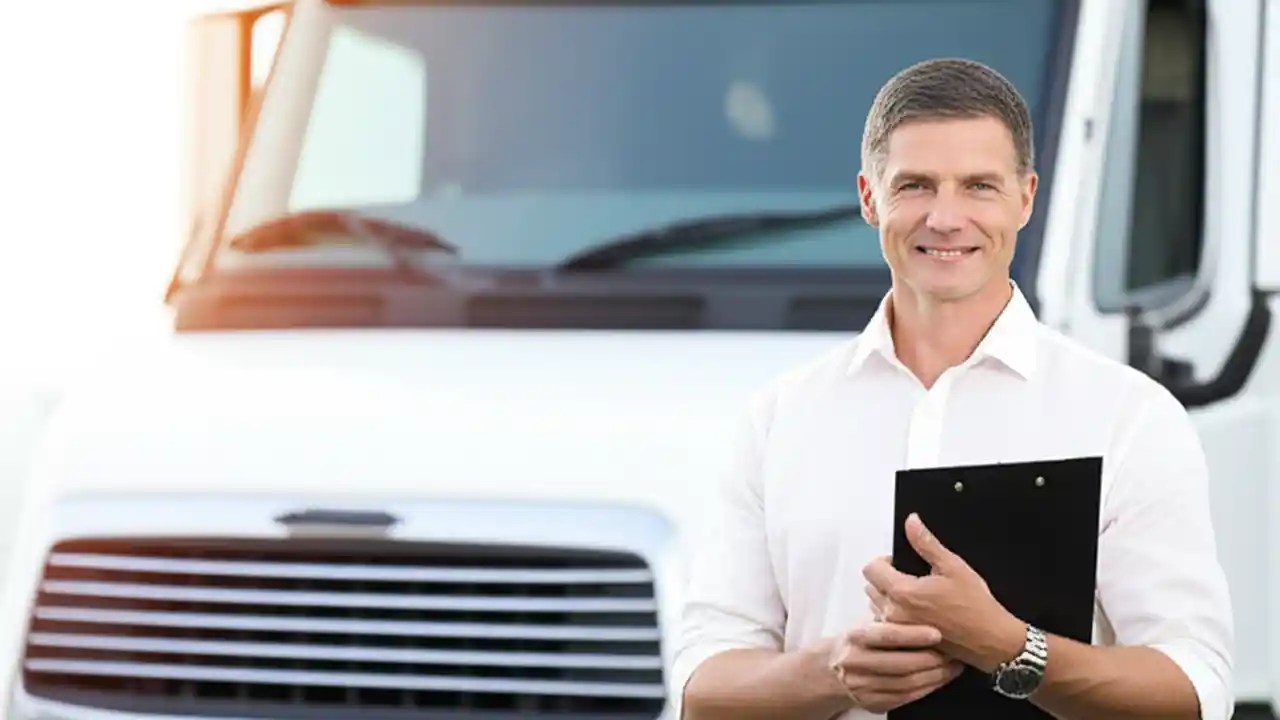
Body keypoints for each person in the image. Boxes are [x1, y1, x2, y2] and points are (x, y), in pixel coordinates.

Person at [671, 58, 1234, 720]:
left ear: (1026, 198)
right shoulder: (777, 419)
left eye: (978, 187)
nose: (945, 217)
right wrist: (832, 672)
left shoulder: (1128, 417)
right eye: (915, 185)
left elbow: (1195, 690)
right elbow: (702, 691)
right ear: (869, 197)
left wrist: (1010, 648)